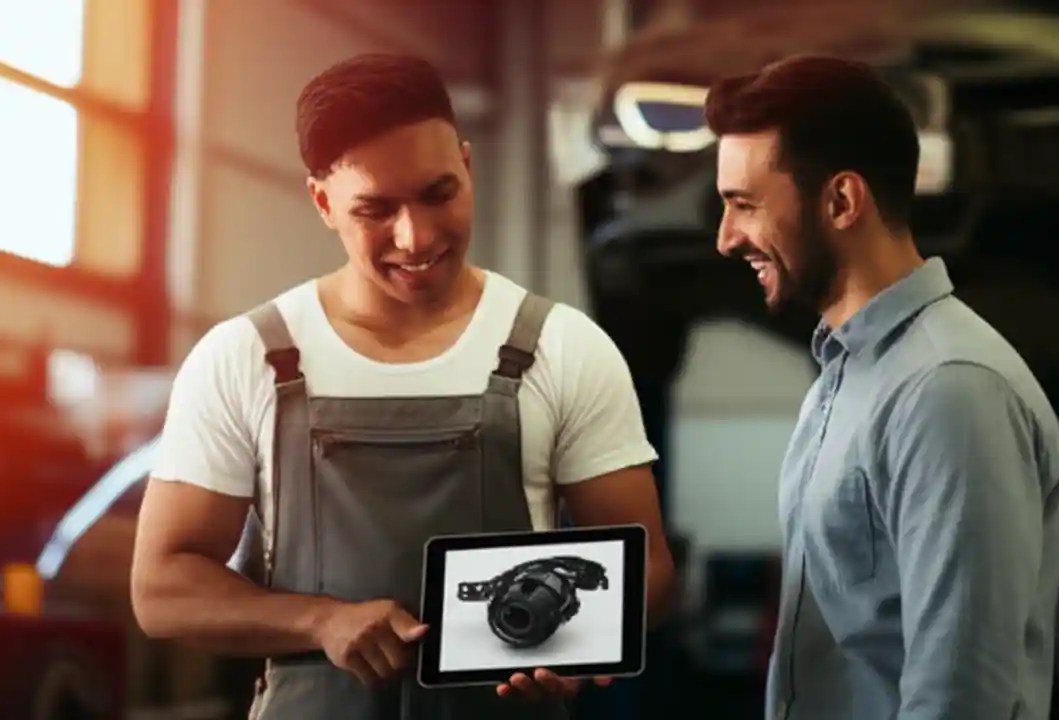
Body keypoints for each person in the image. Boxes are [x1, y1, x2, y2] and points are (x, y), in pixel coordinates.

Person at [130, 53, 676, 720]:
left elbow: (644, 567)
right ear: (323, 203)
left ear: (468, 167)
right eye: (375, 210)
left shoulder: (563, 348)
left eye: (438, 194)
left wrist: (571, 646)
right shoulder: (247, 357)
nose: (415, 237)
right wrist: (318, 622)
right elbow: (162, 588)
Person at [707, 54, 1059, 720]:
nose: (727, 238)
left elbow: (960, 696)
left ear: (842, 200)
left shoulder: (950, 391)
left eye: (745, 205)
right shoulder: (843, 378)